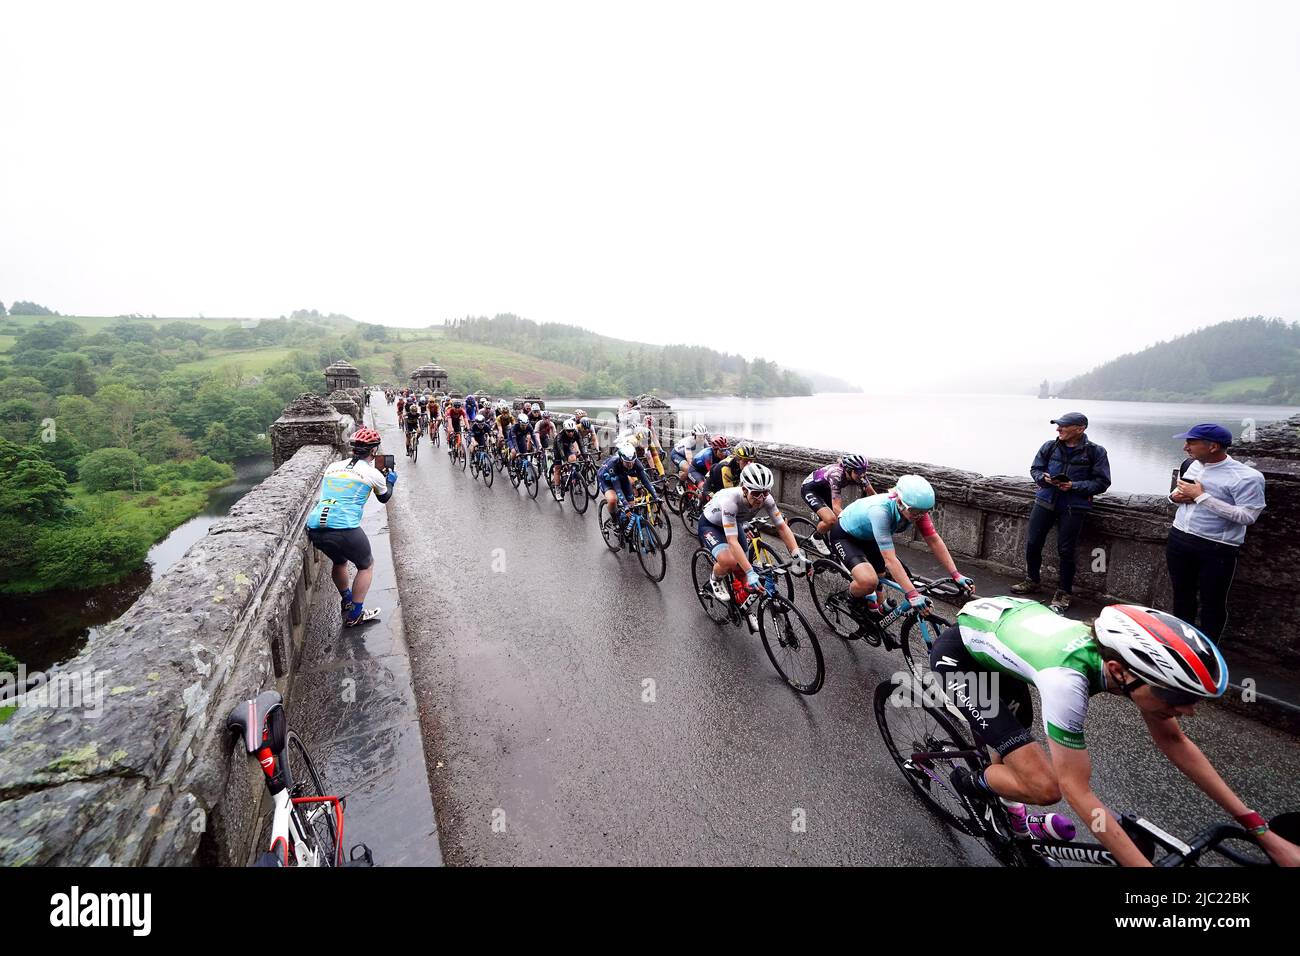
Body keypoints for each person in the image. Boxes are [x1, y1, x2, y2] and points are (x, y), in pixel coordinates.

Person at [929, 598, 1299, 867]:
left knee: (1014, 757)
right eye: (1177, 696)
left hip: (1008, 640)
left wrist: (1260, 829)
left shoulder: (1127, 667)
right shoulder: (1065, 680)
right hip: (962, 658)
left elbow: (1175, 742)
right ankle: (972, 783)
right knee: (1044, 786)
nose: (1187, 710)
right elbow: (1078, 791)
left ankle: (999, 793)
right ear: (1117, 670)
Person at [828, 475, 975, 629]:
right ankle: (849, 598)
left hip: (869, 536)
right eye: (915, 511)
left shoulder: (915, 511)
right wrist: (912, 594)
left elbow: (934, 540)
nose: (919, 515)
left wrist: (956, 574)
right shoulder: (880, 512)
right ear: (899, 502)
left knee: (880, 580)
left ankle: (873, 620)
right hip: (845, 536)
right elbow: (890, 560)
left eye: (924, 511)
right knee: (868, 582)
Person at [1166, 423, 1265, 642]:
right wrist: (1175, 497)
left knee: (1212, 602)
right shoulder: (1191, 465)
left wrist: (1202, 497)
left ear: (1213, 447)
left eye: (1191, 442)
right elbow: (1176, 494)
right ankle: (1182, 646)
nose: (1185, 447)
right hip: (1179, 538)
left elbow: (1248, 517)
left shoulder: (1247, 477)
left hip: (1216, 547)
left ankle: (1209, 653)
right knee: (1182, 596)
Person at [1011, 412, 1111, 613]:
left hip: (1074, 506)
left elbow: (1102, 482)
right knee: (1033, 542)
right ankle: (1032, 580)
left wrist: (1074, 486)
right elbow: (1035, 469)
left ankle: (1064, 592)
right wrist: (1043, 478)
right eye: (1058, 426)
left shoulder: (1095, 452)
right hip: (1045, 500)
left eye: (1063, 426)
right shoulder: (1050, 446)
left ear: (1080, 428)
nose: (1058, 429)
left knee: (1066, 550)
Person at [306, 428, 396, 627]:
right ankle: (355, 614)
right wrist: (390, 481)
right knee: (366, 565)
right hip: (344, 527)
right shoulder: (373, 474)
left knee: (339, 561)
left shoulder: (333, 466)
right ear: (374, 451)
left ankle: (346, 600)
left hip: (316, 526)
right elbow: (384, 498)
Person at [698, 462, 808, 605]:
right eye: (756, 494)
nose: (761, 499)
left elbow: (782, 527)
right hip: (711, 525)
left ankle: (742, 607)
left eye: (765, 493)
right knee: (730, 561)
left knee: (743, 565)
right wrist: (750, 573)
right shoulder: (731, 501)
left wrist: (797, 555)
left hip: (733, 522)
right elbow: (732, 541)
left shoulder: (766, 499)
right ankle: (715, 579)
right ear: (744, 489)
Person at [802, 454, 876, 537]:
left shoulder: (860, 475)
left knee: (838, 520)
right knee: (830, 520)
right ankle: (816, 538)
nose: (862, 474)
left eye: (864, 470)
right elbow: (836, 508)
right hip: (810, 489)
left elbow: (873, 495)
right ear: (848, 470)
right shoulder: (836, 476)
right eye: (858, 472)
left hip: (826, 489)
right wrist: (854, 521)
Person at [598, 439, 660, 534]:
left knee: (632, 505)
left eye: (632, 462)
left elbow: (646, 482)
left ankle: (625, 525)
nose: (630, 465)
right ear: (621, 459)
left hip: (622, 477)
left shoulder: (636, 463)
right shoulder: (613, 465)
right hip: (607, 480)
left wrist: (656, 497)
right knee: (613, 499)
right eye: (627, 462)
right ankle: (614, 521)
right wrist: (625, 504)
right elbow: (618, 488)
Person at [552, 417, 590, 488]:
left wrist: (585, 458)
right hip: (557, 449)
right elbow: (560, 450)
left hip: (567, 447)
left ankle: (569, 474)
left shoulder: (576, 433)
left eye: (572, 431)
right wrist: (565, 460)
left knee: (573, 459)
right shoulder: (560, 436)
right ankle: (557, 489)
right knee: (558, 468)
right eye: (568, 431)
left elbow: (581, 446)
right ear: (565, 430)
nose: (571, 433)